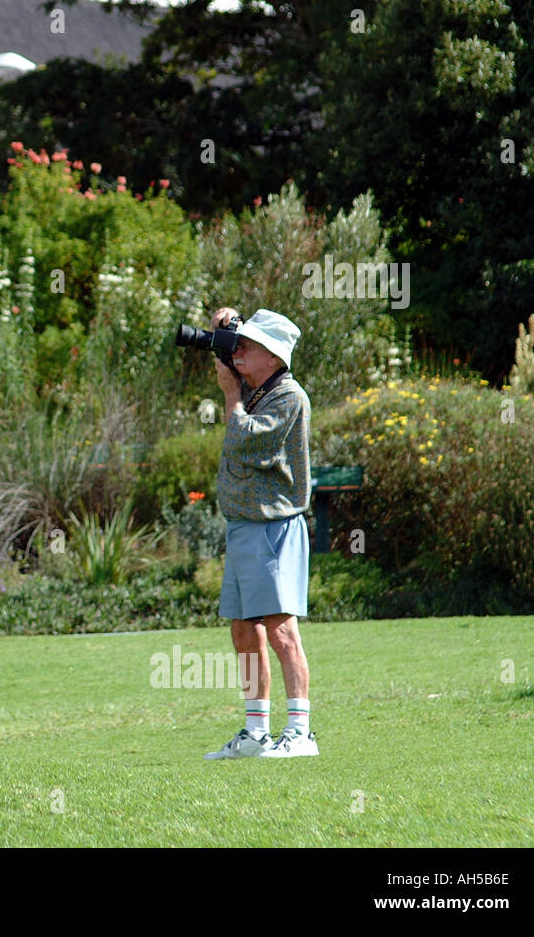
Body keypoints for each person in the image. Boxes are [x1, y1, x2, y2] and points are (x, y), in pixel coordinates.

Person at [203, 307, 318, 759]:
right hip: (244, 528)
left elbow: (246, 441)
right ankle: (255, 734)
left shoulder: (288, 397)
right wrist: (221, 331)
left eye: (248, 347)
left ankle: (300, 732)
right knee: (244, 631)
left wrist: (230, 393)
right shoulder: (257, 390)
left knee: (281, 630)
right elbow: (234, 373)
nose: (239, 353)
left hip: (272, 527)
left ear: (273, 356)